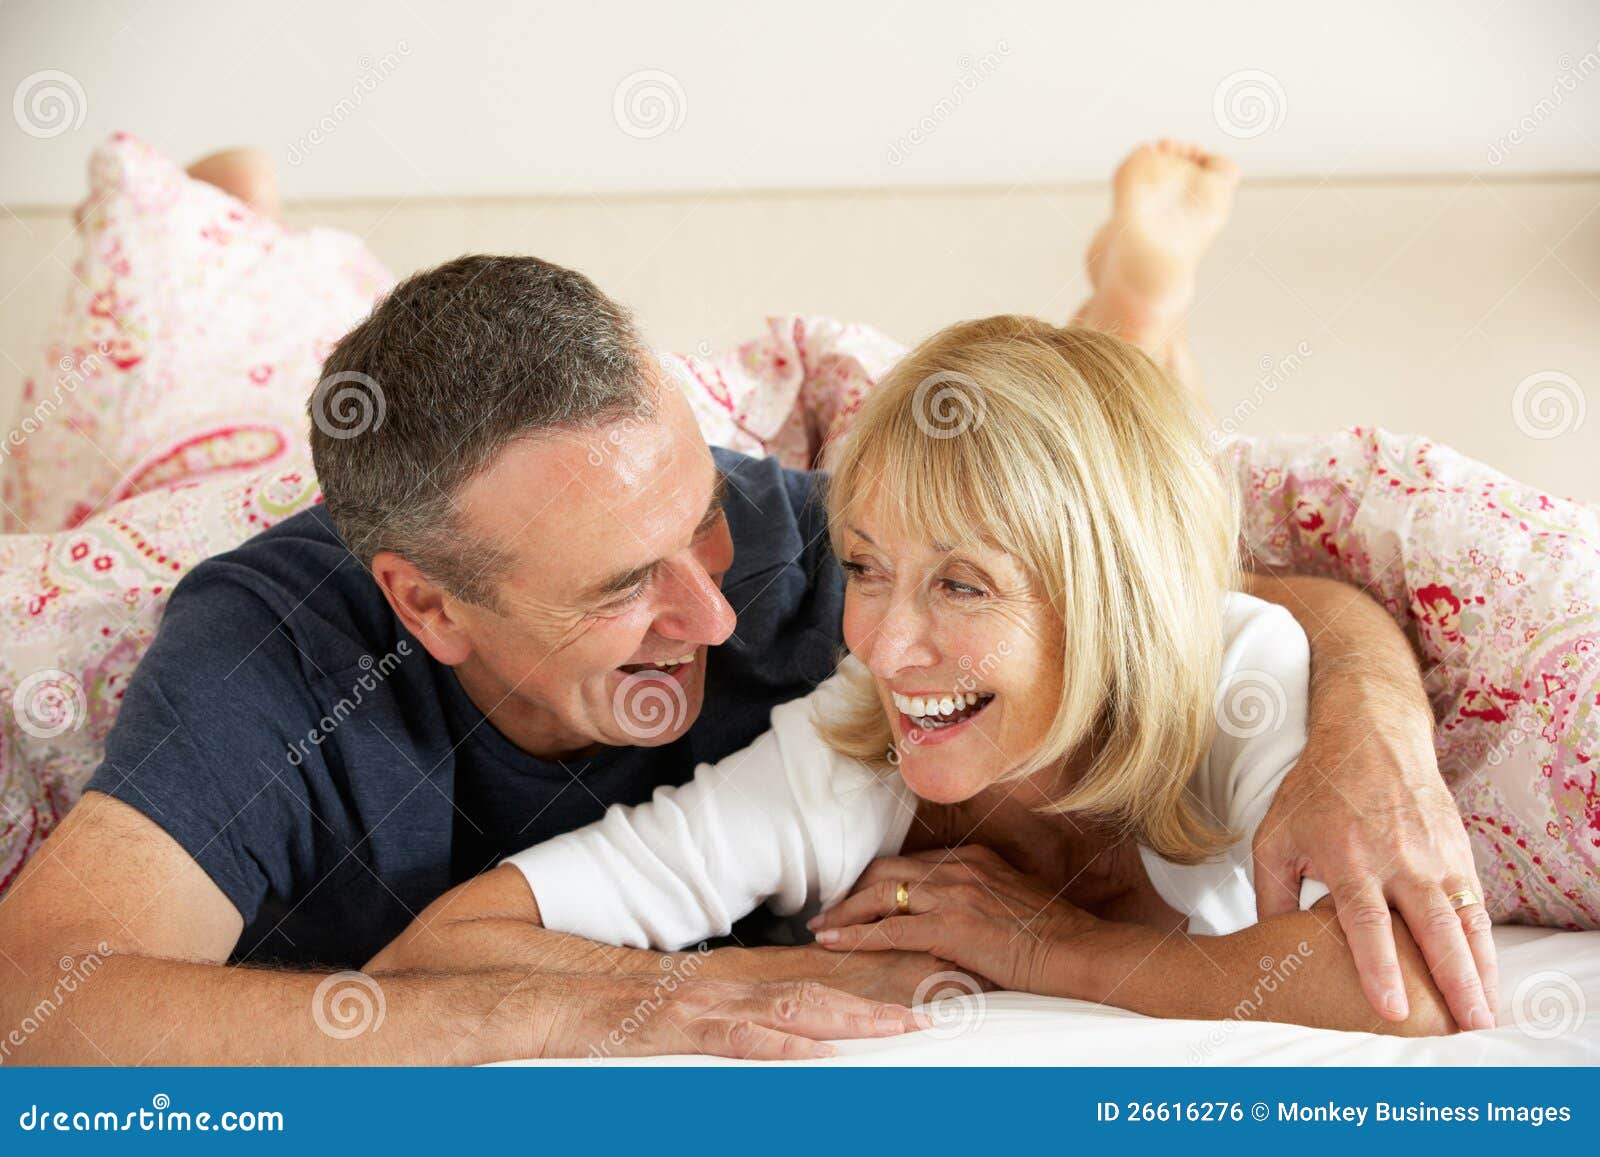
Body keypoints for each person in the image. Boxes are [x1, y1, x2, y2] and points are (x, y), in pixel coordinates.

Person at [0, 141, 1495, 1065]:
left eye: (696, 524)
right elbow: (37, 1008)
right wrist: (623, 1003)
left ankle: (1129, 311)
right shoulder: (274, 663)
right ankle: (220, 225)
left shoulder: (790, 552)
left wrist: (1364, 737)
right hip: (235, 482)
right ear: (429, 610)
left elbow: (1177, 590)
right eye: (620, 586)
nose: (726, 626)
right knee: (172, 398)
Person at [375, 314, 1456, 1033]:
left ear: (1108, 604)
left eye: (964, 585)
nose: (884, 649)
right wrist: (738, 978)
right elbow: (443, 950)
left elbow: (1409, 984)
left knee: (1150, 425)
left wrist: (1052, 947)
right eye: (867, 569)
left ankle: (1142, 303)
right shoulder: (846, 746)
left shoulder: (1238, 678)